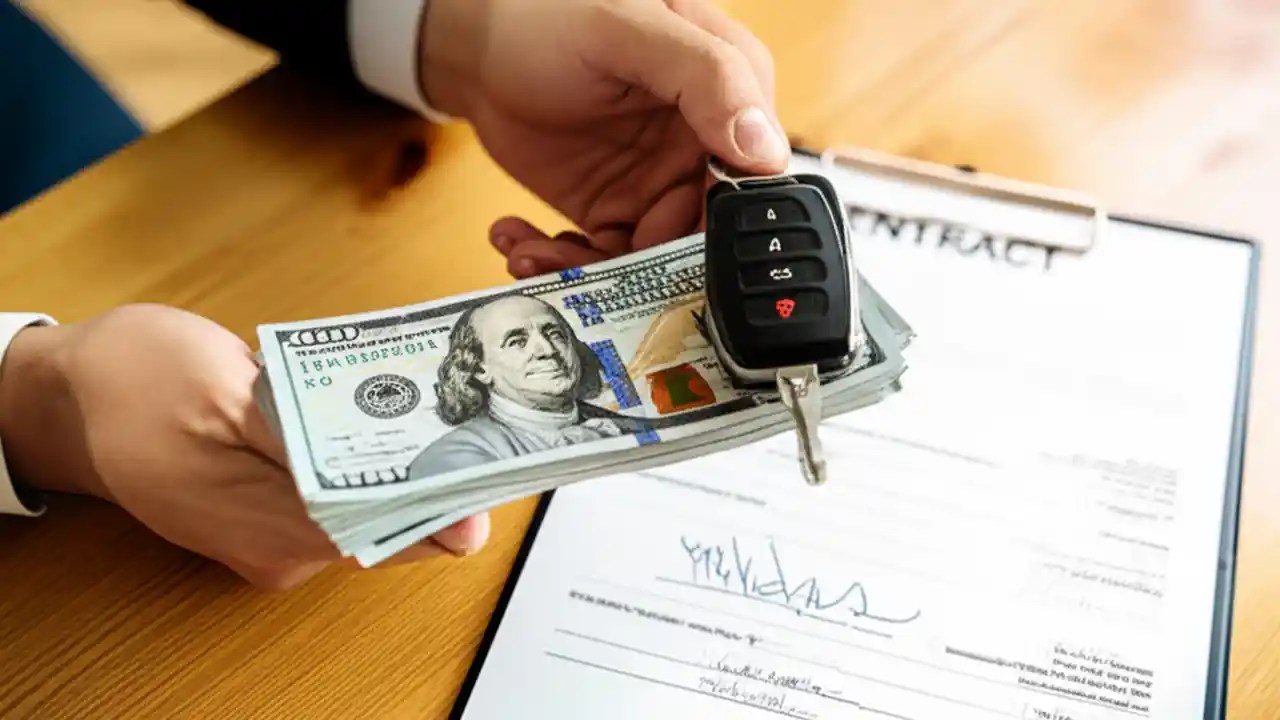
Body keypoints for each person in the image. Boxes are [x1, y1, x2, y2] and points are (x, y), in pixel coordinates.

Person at [0, 0, 790, 590]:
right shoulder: (464, 447)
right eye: (518, 341)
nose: (551, 345)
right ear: (475, 374)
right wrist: (35, 400)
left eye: (544, 336)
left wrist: (459, 32)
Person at [408, 295, 650, 477]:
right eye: (517, 341)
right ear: (480, 368)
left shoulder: (626, 428)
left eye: (554, 334)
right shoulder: (459, 455)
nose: (547, 350)